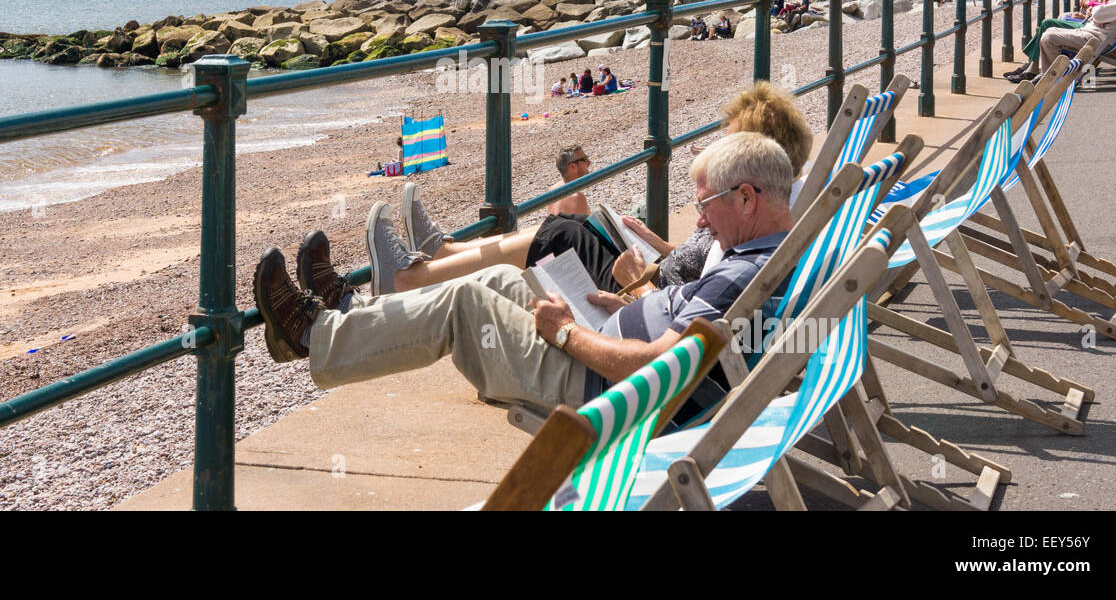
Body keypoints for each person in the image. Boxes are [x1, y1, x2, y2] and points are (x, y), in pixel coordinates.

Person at [249, 132, 796, 417]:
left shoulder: (742, 276)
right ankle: (351, 312)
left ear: (747, 197)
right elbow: (681, 339)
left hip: (603, 390)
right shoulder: (773, 258)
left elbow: (660, 367)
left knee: (465, 302)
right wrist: (623, 308)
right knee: (504, 282)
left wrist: (565, 331)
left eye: (706, 205)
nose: (698, 219)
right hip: (607, 348)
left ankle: (310, 335)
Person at [620, 82, 811, 289]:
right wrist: (654, 241)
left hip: (659, 294)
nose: (719, 152)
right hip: (663, 282)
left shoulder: (752, 224)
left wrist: (640, 286)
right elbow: (697, 261)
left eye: (728, 145)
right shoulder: (784, 205)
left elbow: (697, 315)